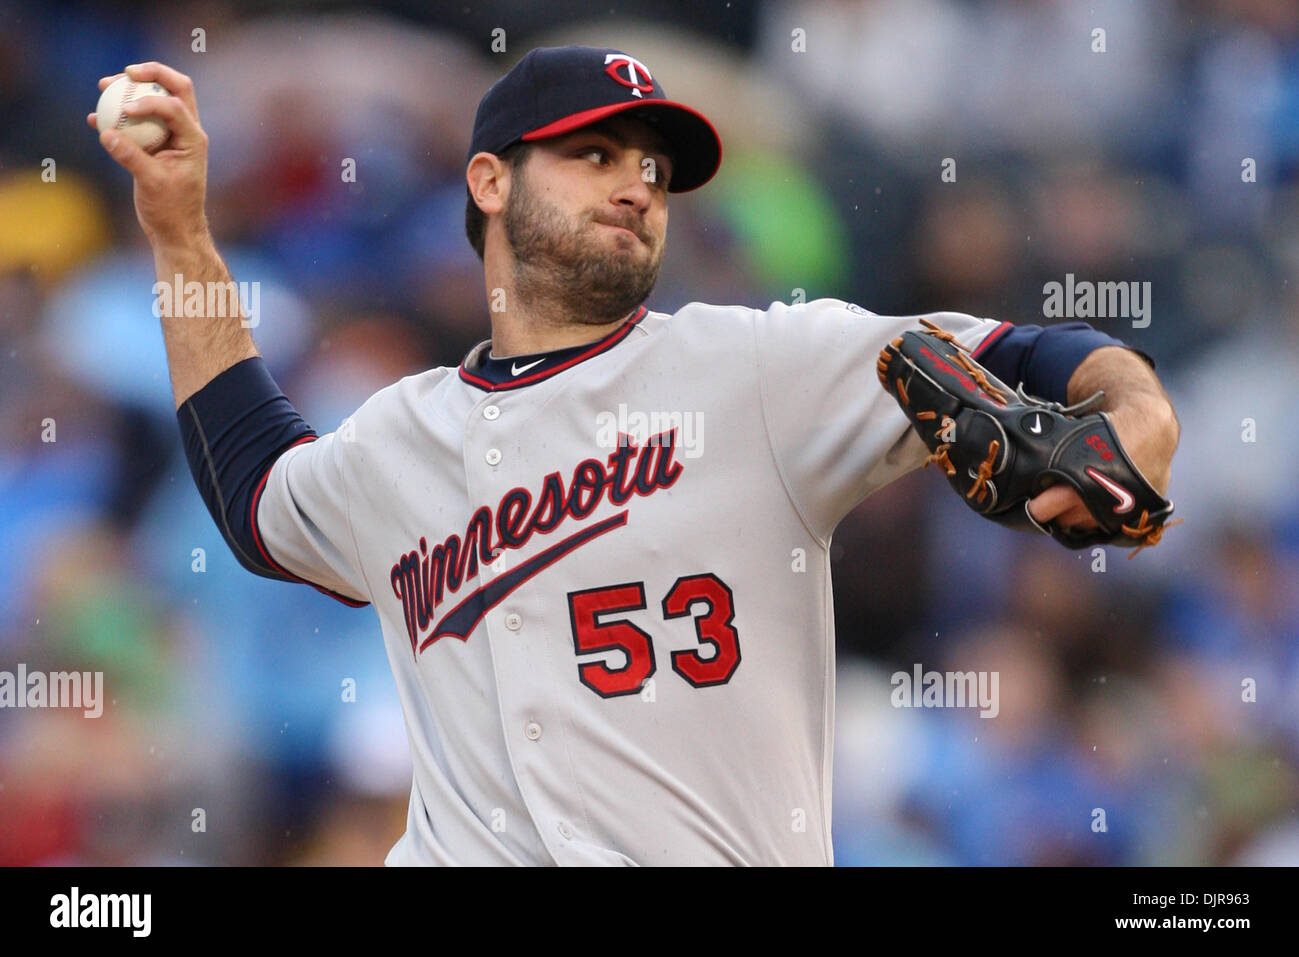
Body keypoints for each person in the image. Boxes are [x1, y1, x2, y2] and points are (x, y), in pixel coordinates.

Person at [92, 45, 1178, 865]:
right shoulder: (396, 441)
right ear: (488, 182)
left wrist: (1133, 407)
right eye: (592, 153)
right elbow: (251, 491)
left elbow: (1025, 353)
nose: (637, 184)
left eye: (651, 166)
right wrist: (181, 233)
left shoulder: (760, 367)